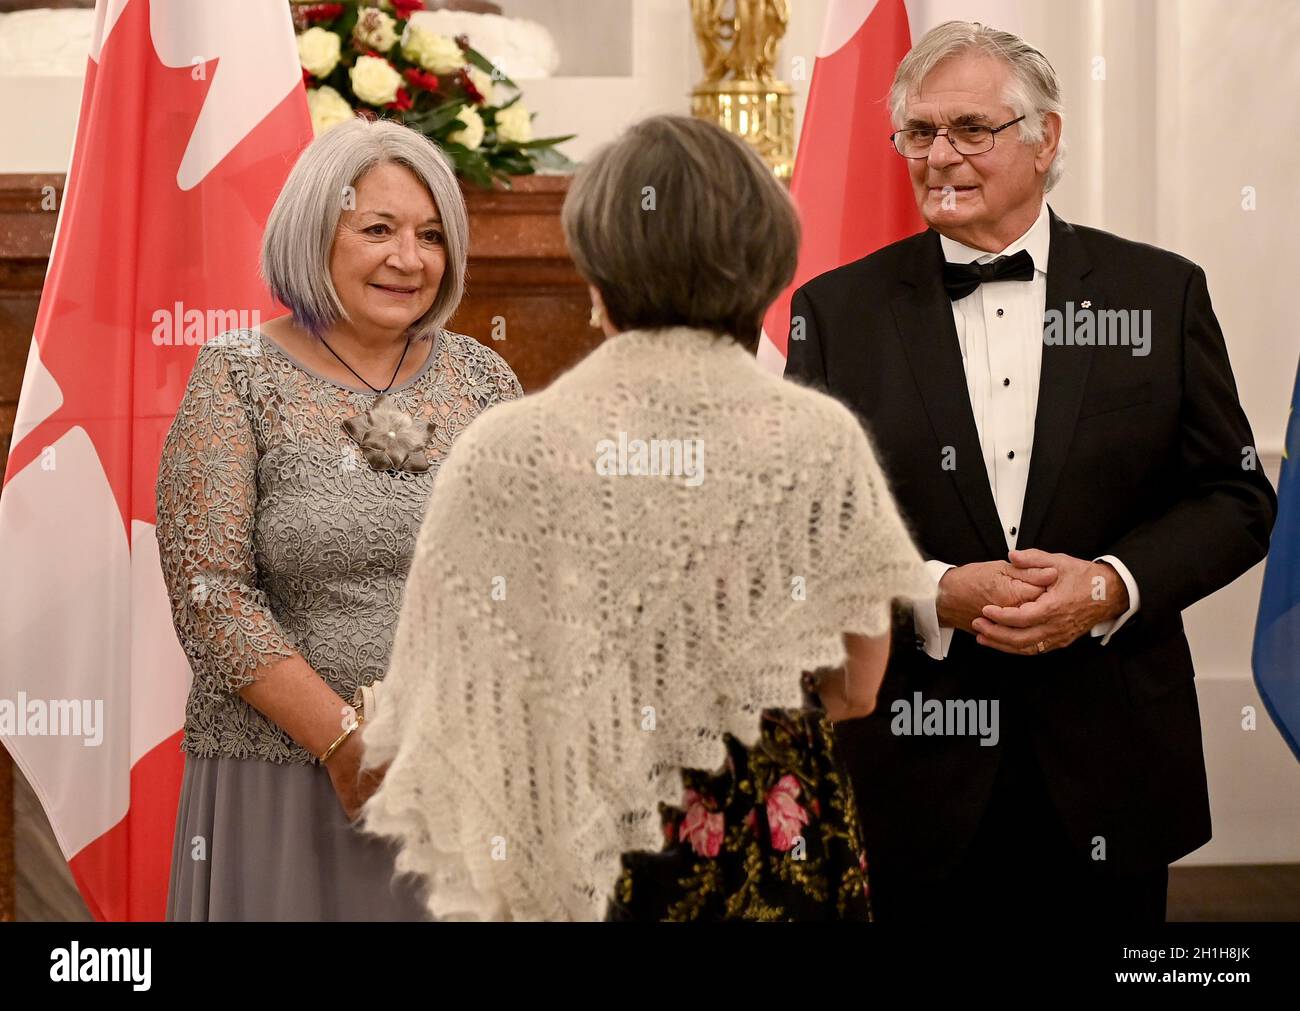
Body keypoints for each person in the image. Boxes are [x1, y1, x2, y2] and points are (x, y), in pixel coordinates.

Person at [358, 114, 933, 921]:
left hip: (586, 846)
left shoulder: (505, 449)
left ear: (598, 262)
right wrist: (733, 702)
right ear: (764, 254)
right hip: (774, 836)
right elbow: (860, 685)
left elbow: (459, 710)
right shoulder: (819, 439)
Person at [784, 21, 1278, 923]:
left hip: (1112, 765)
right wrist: (935, 593)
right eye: (919, 132)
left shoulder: (1159, 294)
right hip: (913, 778)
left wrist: (1110, 583)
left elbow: (1237, 497)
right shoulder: (835, 311)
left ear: (1045, 138)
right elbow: (805, 535)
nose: (940, 155)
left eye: (971, 129)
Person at [156, 117, 522, 921]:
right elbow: (211, 596)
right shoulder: (236, 375)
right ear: (313, 231)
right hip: (280, 787)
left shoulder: (485, 379)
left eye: (431, 235)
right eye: (378, 229)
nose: (409, 258)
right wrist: (345, 743)